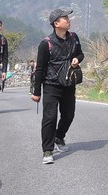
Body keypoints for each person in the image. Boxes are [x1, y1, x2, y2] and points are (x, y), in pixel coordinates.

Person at [31, 9, 84, 165]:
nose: (68, 20)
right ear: (56, 24)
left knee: (69, 115)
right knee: (50, 118)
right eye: (65, 18)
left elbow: (81, 54)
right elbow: (39, 69)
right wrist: (36, 92)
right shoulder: (45, 43)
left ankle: (59, 137)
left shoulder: (74, 38)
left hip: (68, 84)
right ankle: (47, 150)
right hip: (51, 85)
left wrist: (76, 59)